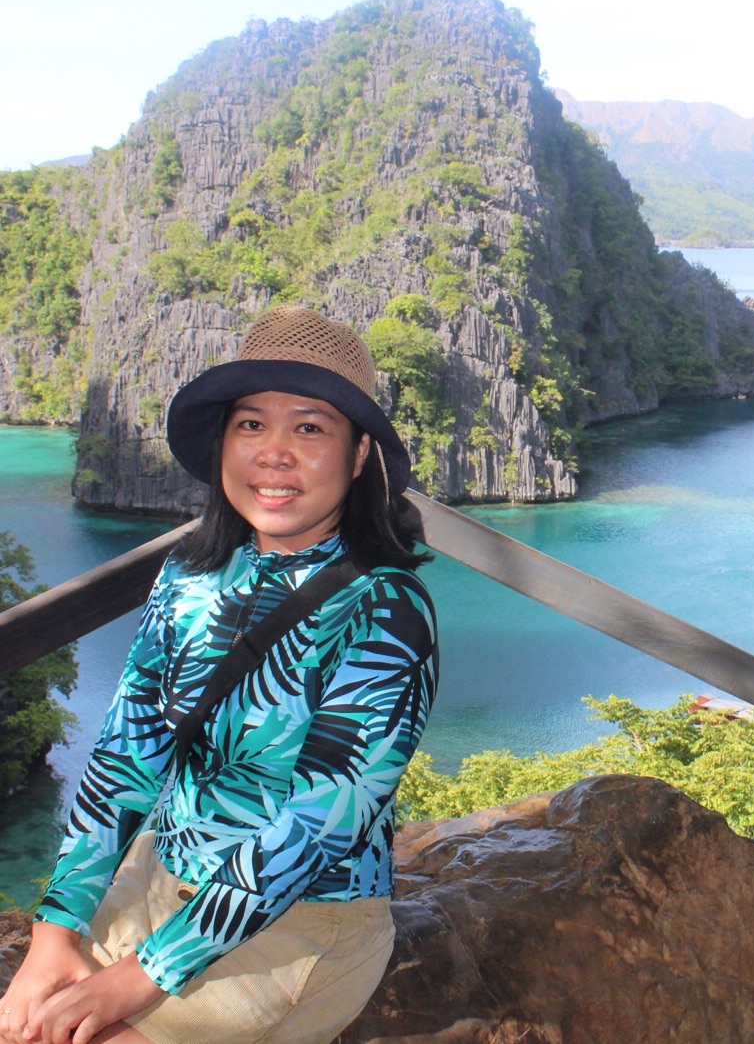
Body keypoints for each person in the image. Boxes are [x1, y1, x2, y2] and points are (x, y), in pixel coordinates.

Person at [0, 307, 438, 1044]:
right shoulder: (191, 574)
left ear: (359, 454)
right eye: (250, 425)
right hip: (157, 873)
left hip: (297, 920)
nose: (274, 453)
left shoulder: (386, 609)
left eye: (308, 428)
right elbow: (126, 752)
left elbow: (316, 828)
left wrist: (135, 978)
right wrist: (55, 929)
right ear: (223, 441)